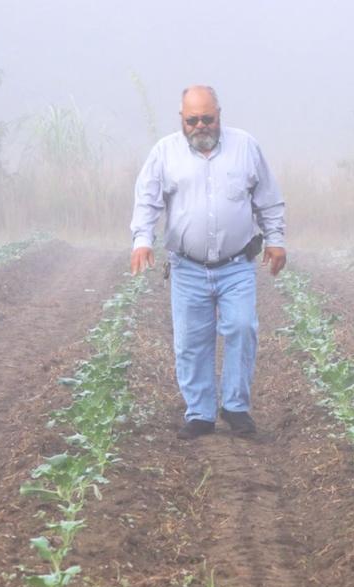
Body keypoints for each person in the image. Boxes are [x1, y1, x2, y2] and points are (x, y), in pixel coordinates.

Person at [130, 85, 287, 440]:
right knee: (191, 340)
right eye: (192, 120)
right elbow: (147, 201)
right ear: (181, 119)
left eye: (207, 118)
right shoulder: (165, 153)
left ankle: (235, 406)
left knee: (243, 328)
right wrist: (142, 240)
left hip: (236, 265)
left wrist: (275, 239)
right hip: (188, 267)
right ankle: (200, 412)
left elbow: (269, 199)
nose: (200, 126)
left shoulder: (245, 147)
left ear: (219, 114)